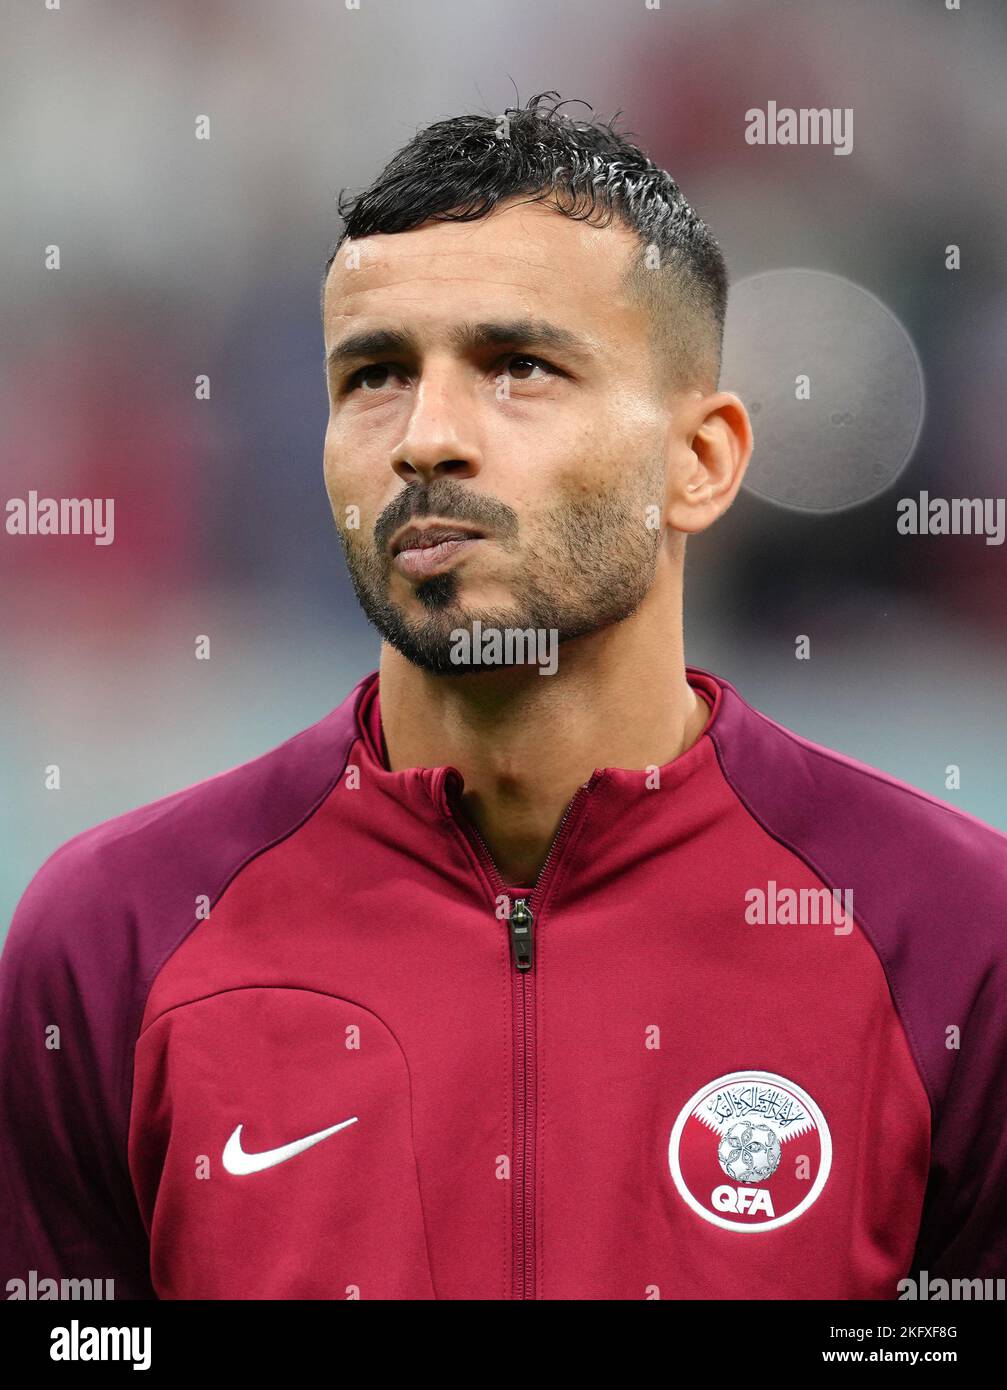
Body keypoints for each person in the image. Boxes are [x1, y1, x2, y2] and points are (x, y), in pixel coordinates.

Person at [2, 93, 1005, 1302]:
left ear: (700, 462)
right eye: (374, 375)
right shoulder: (117, 936)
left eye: (517, 366)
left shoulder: (949, 939)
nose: (426, 438)